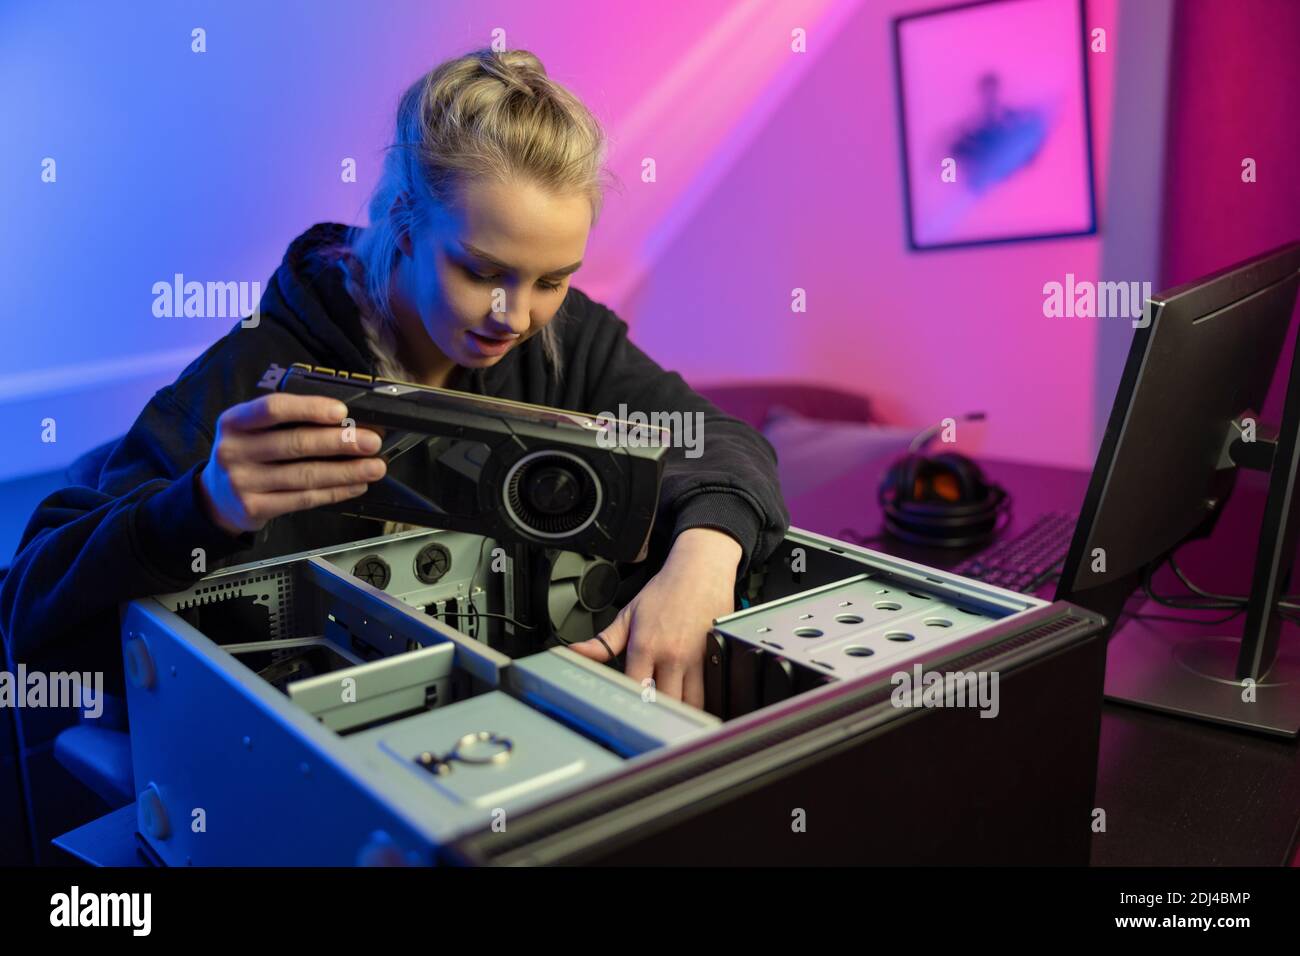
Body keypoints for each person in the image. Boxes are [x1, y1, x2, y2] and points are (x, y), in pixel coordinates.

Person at [0, 48, 789, 708]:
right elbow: (30, 604)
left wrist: (704, 562)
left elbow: (716, 438)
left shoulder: (565, 340)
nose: (515, 316)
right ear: (405, 225)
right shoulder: (259, 371)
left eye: (552, 279)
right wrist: (200, 505)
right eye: (482, 271)